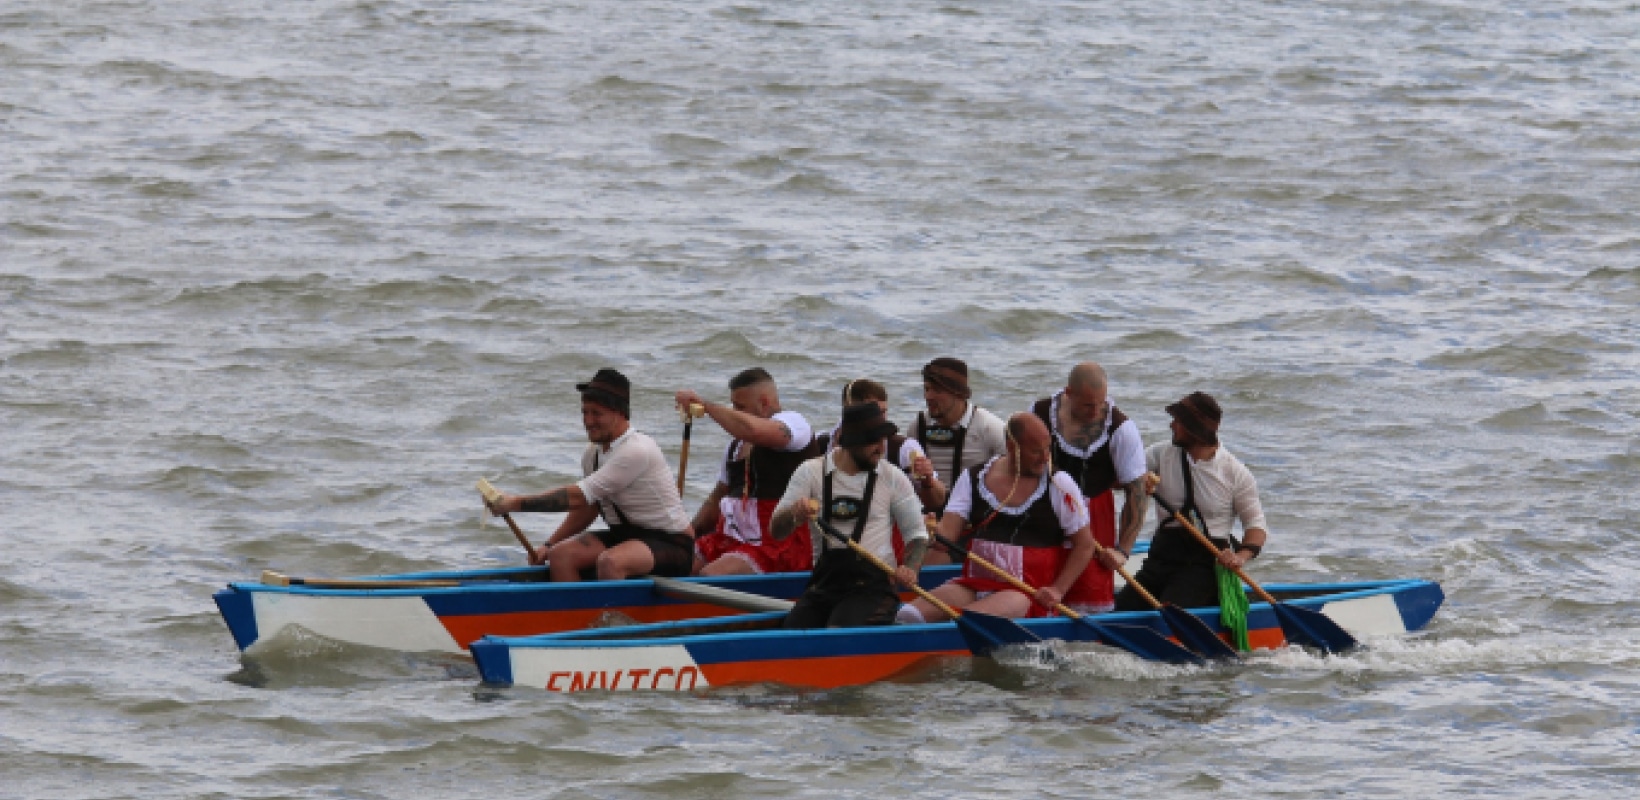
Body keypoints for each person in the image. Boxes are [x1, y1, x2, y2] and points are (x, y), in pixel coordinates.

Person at [484, 369, 695, 581]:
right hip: (626, 538)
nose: (588, 421)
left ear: (620, 413)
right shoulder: (592, 454)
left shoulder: (636, 451)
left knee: (610, 561)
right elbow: (588, 506)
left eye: (597, 413)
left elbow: (576, 497)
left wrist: (513, 503)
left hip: (672, 544)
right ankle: (574, 604)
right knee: (560, 555)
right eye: (585, 412)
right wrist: (549, 545)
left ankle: (611, 604)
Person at [895, 413, 1095, 623]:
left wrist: (1058, 590)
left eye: (1047, 449)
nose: (1045, 458)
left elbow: (1085, 545)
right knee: (908, 615)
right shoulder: (973, 477)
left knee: (970, 621)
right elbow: (947, 538)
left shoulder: (1060, 484)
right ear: (1012, 447)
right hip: (974, 583)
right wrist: (930, 531)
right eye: (1036, 451)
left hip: (1025, 593)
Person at [768, 403, 930, 628]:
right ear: (851, 442)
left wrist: (910, 569)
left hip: (874, 588)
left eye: (883, 439)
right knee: (792, 634)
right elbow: (776, 532)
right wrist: (794, 514)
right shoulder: (810, 472)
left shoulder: (892, 477)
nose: (881, 448)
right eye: (873, 441)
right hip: (824, 585)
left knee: (836, 632)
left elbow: (918, 536)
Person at [1116, 391, 1268, 611]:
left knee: (1170, 612)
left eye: (1178, 421)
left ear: (1195, 429)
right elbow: (1118, 479)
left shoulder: (1235, 473)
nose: (1171, 425)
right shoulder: (1160, 454)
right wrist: (1137, 482)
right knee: (1122, 609)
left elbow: (1256, 526)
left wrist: (1239, 557)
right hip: (1160, 559)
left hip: (1202, 566)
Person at [676, 368, 822, 576]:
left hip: (779, 544)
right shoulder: (735, 447)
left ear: (764, 403)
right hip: (733, 540)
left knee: (710, 575)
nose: (734, 412)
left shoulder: (795, 423)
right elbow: (717, 499)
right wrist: (686, 536)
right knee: (677, 565)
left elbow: (753, 430)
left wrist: (706, 407)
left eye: (739, 407)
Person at [1030, 362, 1147, 615]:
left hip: (1094, 517)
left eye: (1100, 403)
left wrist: (1123, 551)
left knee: (1089, 590)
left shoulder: (1121, 428)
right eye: (1087, 405)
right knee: (1039, 587)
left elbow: (1137, 492)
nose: (1096, 411)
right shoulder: (1039, 413)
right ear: (1069, 393)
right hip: (1045, 512)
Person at [908, 357, 1007, 562]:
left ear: (959, 393)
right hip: (929, 521)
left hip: (973, 525)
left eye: (937, 390)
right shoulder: (917, 427)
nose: (928, 396)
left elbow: (1013, 480)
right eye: (926, 389)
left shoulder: (991, 428)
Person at [816, 378, 947, 514]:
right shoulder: (821, 443)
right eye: (874, 412)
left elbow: (937, 501)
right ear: (850, 411)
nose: (881, 419)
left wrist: (928, 481)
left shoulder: (904, 448)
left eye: (884, 412)